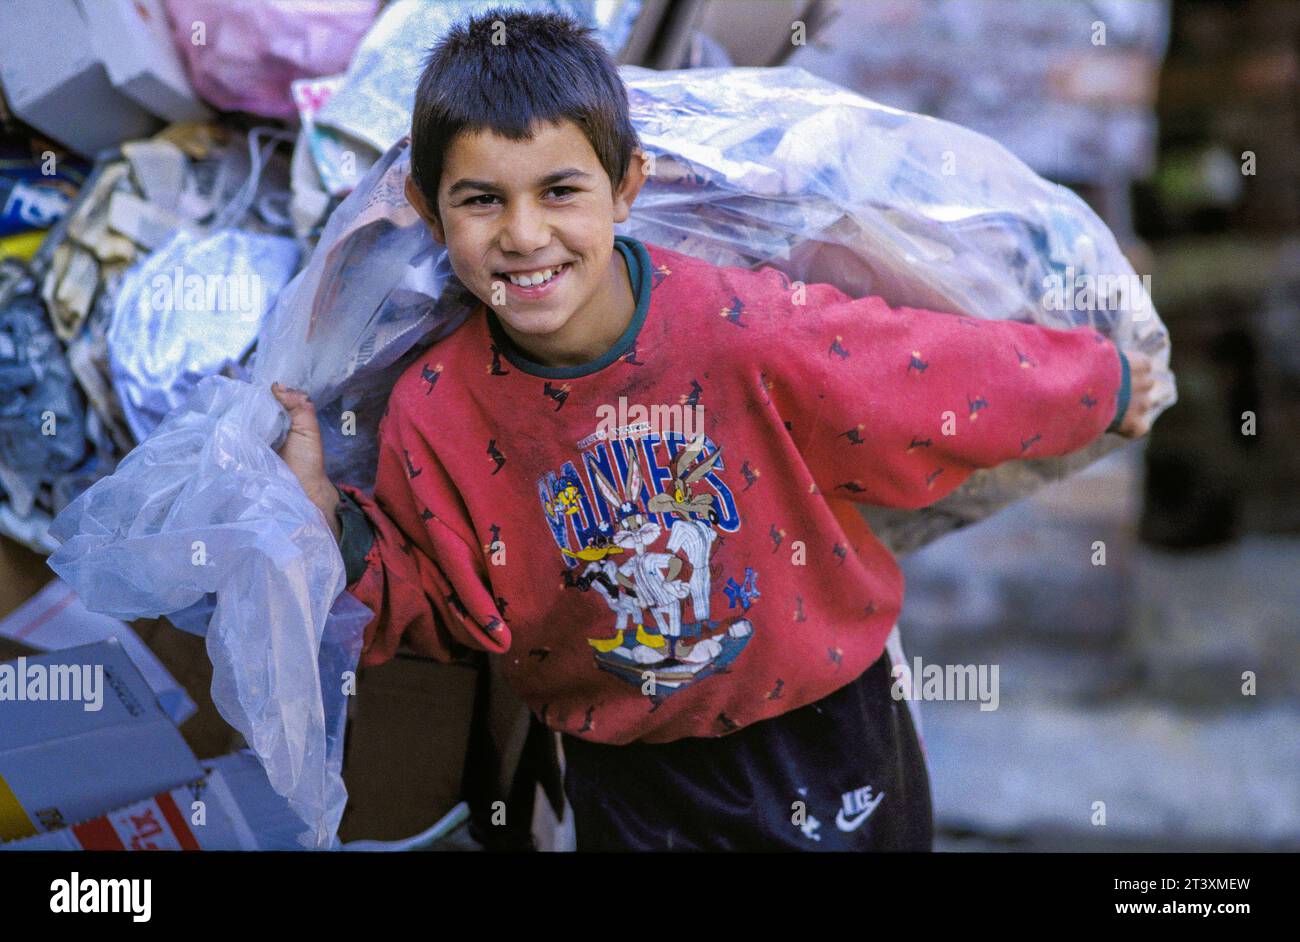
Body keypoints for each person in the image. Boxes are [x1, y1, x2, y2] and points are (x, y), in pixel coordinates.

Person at [270, 7, 1155, 851]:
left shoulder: (739, 331)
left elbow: (930, 378)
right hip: (628, 774)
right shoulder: (437, 408)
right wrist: (330, 528)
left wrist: (1103, 382)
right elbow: (441, 598)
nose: (525, 234)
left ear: (626, 187)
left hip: (825, 734)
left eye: (560, 190)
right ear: (430, 212)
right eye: (481, 202)